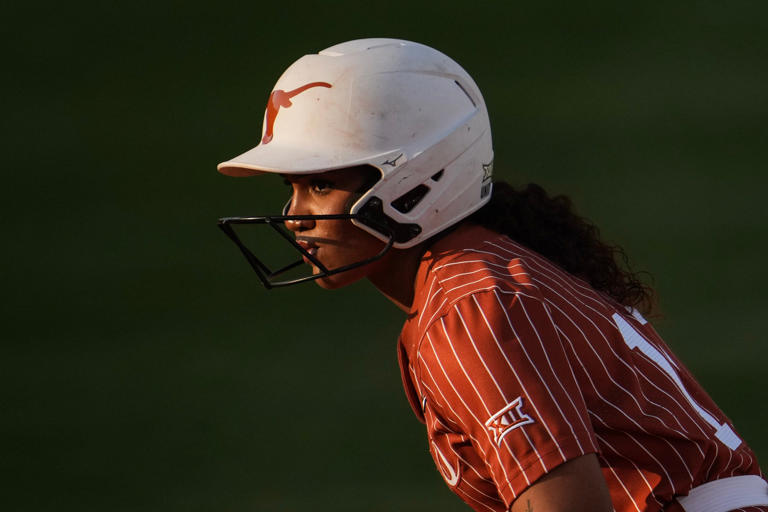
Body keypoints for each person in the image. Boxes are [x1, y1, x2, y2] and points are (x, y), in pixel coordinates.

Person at [216, 38, 767, 512]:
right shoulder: (478, 276)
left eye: (319, 185)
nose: (294, 216)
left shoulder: (470, 303)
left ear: (412, 183)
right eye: (291, 187)